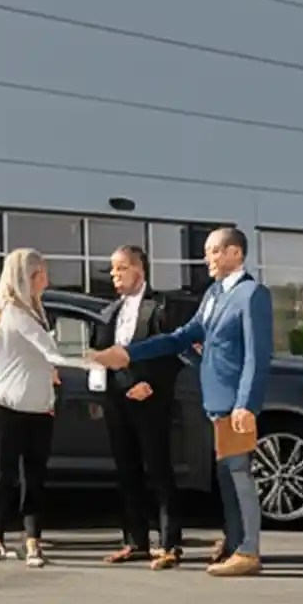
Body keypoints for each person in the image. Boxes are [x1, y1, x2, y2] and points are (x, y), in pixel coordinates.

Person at [91, 227, 272, 577]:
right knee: (227, 477)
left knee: (238, 474)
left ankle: (248, 551)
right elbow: (181, 338)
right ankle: (234, 543)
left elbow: (256, 355)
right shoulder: (214, 295)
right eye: (207, 252)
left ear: (236, 253)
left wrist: (246, 405)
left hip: (235, 403)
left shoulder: (252, 294)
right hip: (217, 401)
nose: (209, 258)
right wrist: (127, 353)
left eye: (216, 251)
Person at [0, 247, 126, 568]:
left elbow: (39, 357)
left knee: (34, 476)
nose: (48, 278)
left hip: (39, 406)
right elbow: (53, 352)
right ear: (28, 277)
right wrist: (99, 359)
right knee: (5, 473)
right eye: (43, 272)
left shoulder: (35, 310)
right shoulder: (13, 313)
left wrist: (48, 375)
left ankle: (32, 540)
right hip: (6, 406)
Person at [91, 245, 185, 570]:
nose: (115, 276)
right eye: (113, 270)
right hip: (117, 403)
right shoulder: (109, 312)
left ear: (139, 270)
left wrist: (152, 385)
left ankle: (170, 544)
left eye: (121, 269)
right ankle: (135, 543)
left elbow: (174, 355)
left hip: (151, 402)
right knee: (127, 472)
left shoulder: (160, 307)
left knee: (159, 471)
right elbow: (100, 355)